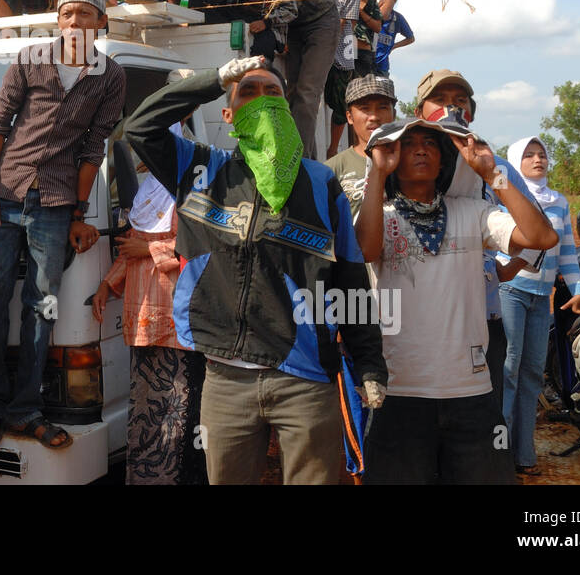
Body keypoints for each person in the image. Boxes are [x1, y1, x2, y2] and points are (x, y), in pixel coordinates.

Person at [124, 56, 386, 484]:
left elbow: (351, 278)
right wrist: (215, 76)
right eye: (247, 92)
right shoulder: (199, 169)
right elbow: (141, 127)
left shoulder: (321, 182)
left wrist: (370, 364)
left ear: (286, 108)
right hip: (225, 379)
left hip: (306, 378)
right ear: (228, 115)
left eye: (272, 93)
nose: (262, 100)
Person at [355, 115, 558, 484]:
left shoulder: (474, 213)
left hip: (470, 388)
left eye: (431, 143)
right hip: (399, 388)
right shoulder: (380, 217)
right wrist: (378, 175)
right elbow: (364, 250)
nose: (420, 149)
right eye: (408, 143)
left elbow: (541, 238)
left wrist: (490, 173)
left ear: (445, 160)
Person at [0, 0, 126, 451]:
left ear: (101, 22)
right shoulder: (29, 58)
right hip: (8, 191)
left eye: (85, 14)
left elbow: (93, 146)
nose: (75, 22)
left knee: (42, 308)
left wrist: (79, 212)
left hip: (56, 203)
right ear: (57, 19)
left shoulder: (110, 75)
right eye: (67, 13)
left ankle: (27, 409)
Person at [414, 68, 544, 414]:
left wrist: (508, 269)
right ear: (419, 113)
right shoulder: (403, 162)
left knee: (481, 416)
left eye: (460, 102)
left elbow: (537, 229)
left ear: (472, 112)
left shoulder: (495, 166)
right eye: (439, 101)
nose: (451, 109)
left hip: (480, 316)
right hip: (414, 318)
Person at [90, 161, 206, 485]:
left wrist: (149, 247)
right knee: (145, 412)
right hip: (142, 322)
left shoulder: (191, 190)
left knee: (177, 414)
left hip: (175, 323)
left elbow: (200, 249)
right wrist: (106, 285)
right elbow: (129, 247)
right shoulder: (147, 194)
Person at [499, 135, 580, 476]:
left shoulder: (559, 202)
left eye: (542, 154)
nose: (538, 159)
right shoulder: (507, 196)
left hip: (542, 297)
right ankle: (500, 454)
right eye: (529, 155)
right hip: (511, 291)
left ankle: (524, 452)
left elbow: (566, 250)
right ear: (515, 161)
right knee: (508, 369)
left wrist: (577, 288)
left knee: (533, 373)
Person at [271, 0, 340, 160]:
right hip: (293, 26)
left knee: (307, 93)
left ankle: (297, 161)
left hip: (321, 20)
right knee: (292, 94)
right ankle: (306, 159)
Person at [324, 74, 399, 221]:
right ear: (350, 117)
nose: (374, 117)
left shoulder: (410, 160)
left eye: (382, 107)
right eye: (365, 108)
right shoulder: (332, 170)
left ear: (394, 114)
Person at [319, 0, 364, 158]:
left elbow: (347, 18)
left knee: (340, 101)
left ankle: (333, 148)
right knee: (311, 97)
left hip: (342, 42)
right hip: (314, 40)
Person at [373, 0, 414, 76]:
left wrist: (393, 46)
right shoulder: (371, 12)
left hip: (382, 67)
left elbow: (411, 38)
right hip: (365, 64)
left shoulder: (397, 18)